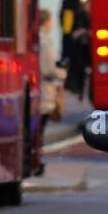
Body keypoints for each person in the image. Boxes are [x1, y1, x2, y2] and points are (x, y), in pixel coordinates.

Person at [39, 10, 67, 138]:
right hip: (44, 89)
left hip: (43, 88)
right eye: (51, 21)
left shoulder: (41, 38)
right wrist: (62, 74)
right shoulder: (43, 41)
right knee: (41, 126)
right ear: (46, 22)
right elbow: (47, 69)